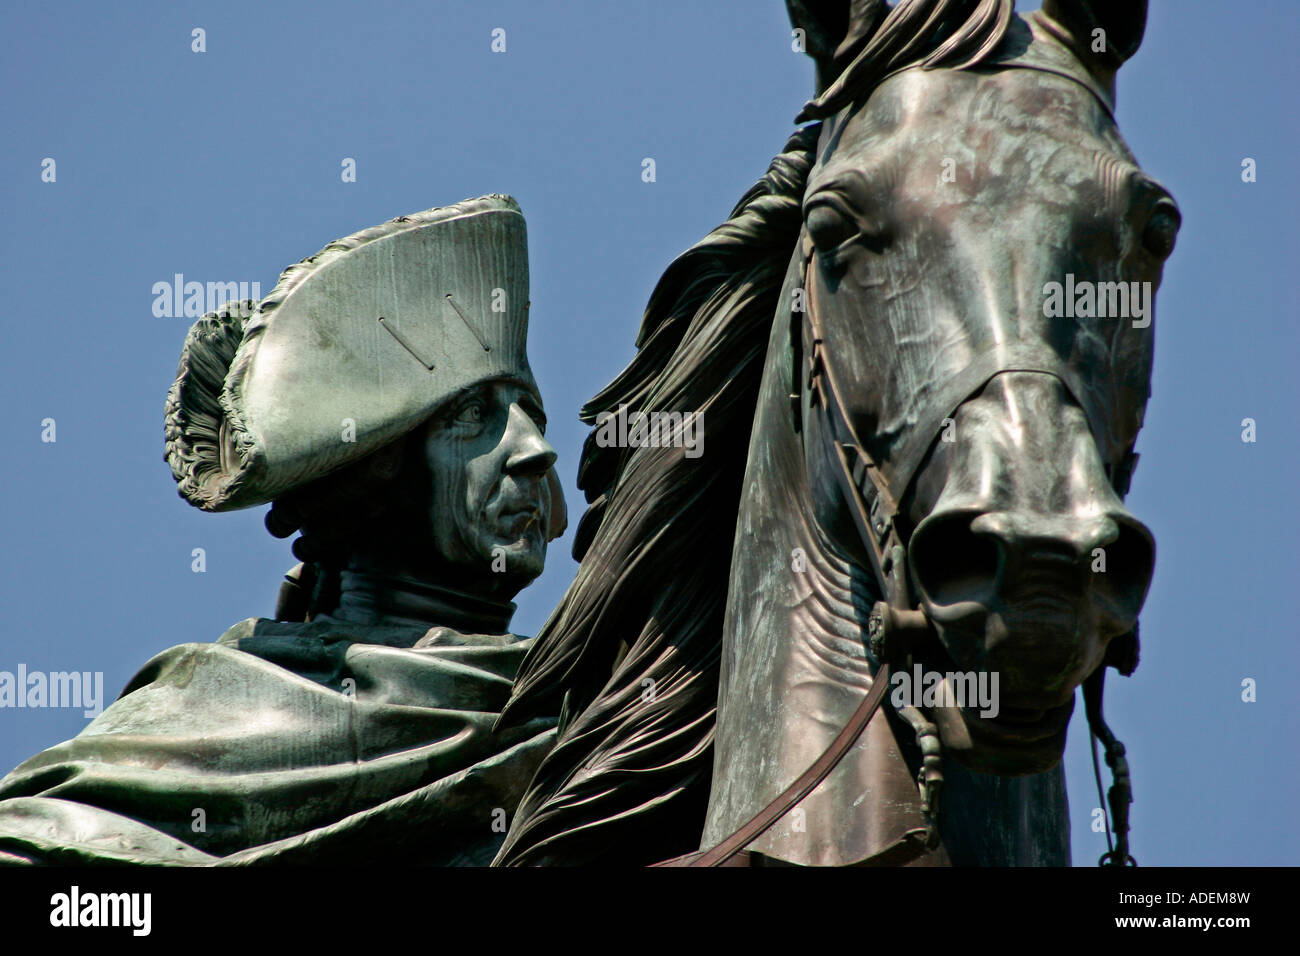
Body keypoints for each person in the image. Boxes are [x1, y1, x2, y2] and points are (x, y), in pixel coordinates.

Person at [0, 194, 565, 865]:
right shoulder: (211, 714)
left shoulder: (585, 705)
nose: (535, 449)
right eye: (474, 415)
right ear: (377, 472)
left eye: (530, 411)